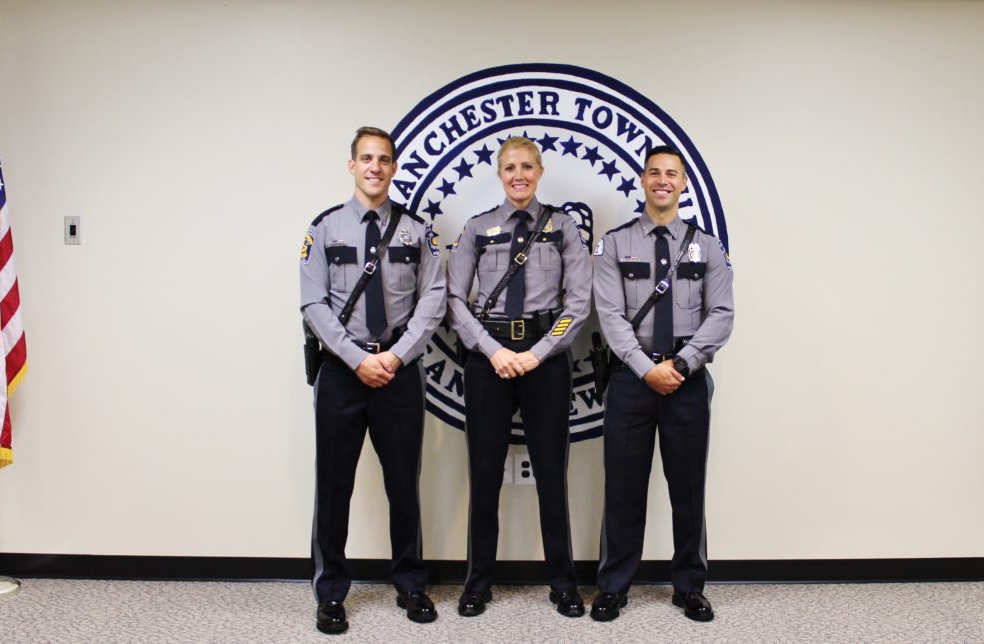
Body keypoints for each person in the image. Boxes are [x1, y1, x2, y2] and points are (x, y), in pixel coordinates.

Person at [299, 126, 446, 635]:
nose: (375, 167)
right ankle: (331, 593)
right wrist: (355, 359)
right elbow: (313, 303)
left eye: (384, 159)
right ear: (351, 165)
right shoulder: (324, 229)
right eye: (366, 158)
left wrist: (397, 357)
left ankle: (410, 584)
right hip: (342, 373)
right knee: (333, 487)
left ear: (394, 166)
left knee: (403, 484)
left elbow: (433, 299)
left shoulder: (416, 231)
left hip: (399, 373)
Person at [446, 136, 592, 618]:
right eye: (510, 167)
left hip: (544, 362)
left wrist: (538, 352)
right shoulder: (477, 228)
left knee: (552, 475)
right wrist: (492, 351)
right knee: (484, 475)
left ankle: (564, 584)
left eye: (528, 166)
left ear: (541, 171)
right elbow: (454, 301)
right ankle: (477, 582)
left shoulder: (564, 228)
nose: (519, 175)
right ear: (499, 173)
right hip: (489, 362)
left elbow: (578, 304)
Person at [590, 145, 734, 623]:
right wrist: (644, 367)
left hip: (687, 380)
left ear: (684, 183)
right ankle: (613, 586)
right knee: (623, 490)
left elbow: (722, 315)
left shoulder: (707, 247)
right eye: (654, 172)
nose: (663, 180)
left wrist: (684, 363)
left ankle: (689, 586)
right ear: (643, 179)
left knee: (688, 490)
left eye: (672, 173)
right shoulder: (615, 244)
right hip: (631, 380)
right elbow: (609, 315)